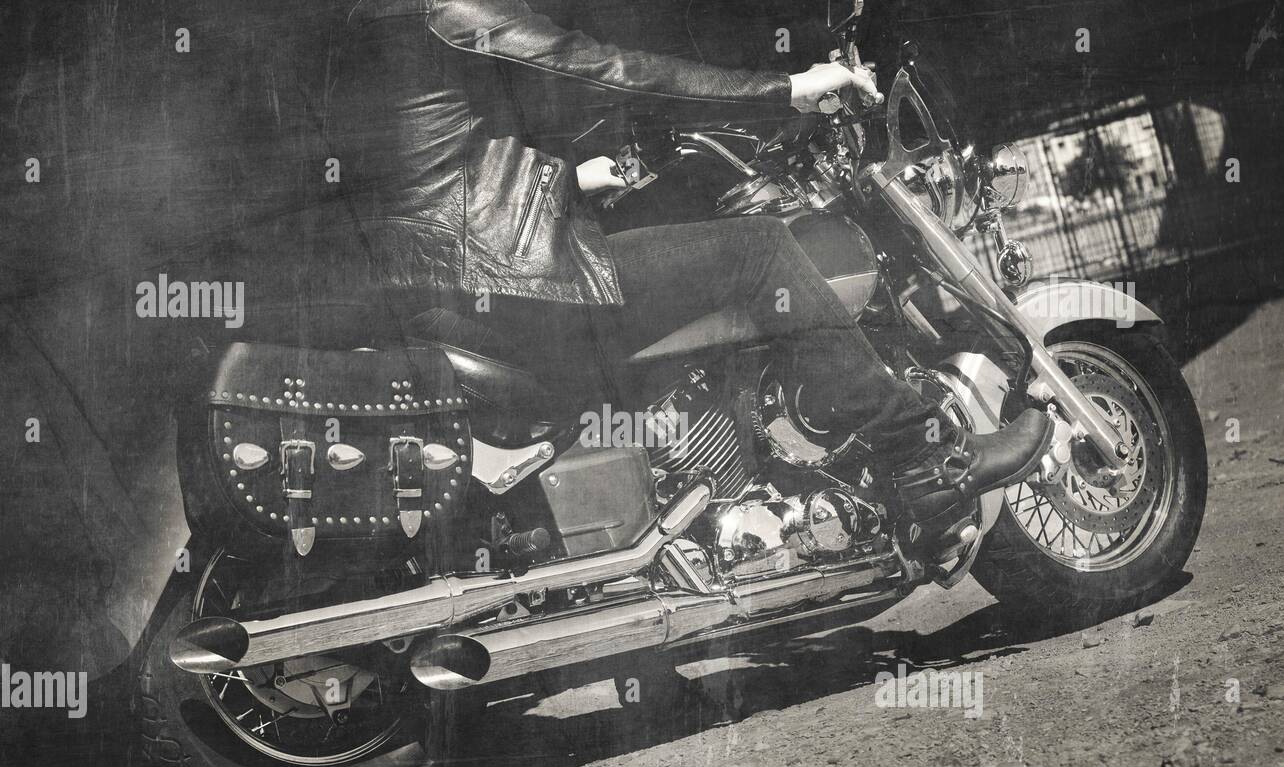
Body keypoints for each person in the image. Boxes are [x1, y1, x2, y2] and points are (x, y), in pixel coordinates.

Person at [318, 0, 1052, 542]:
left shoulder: (356, 32)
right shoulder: (445, 9)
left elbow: (436, 165)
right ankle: (925, 457)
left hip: (445, 284)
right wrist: (786, 88)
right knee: (759, 252)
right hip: (502, 279)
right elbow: (607, 67)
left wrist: (573, 177)